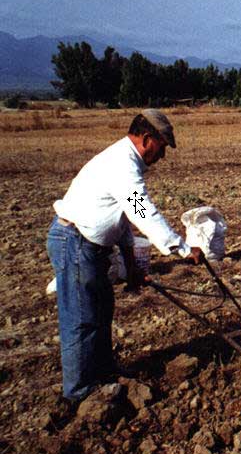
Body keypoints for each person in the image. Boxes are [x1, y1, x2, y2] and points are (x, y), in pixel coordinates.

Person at [47, 109, 204, 401]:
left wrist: (131, 264)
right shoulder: (123, 166)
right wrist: (182, 248)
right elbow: (141, 212)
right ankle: (79, 394)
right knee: (81, 320)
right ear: (147, 139)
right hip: (74, 242)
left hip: (88, 247)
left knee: (100, 312)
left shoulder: (124, 163)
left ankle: (104, 373)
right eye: (161, 148)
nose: (162, 157)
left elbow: (120, 221)